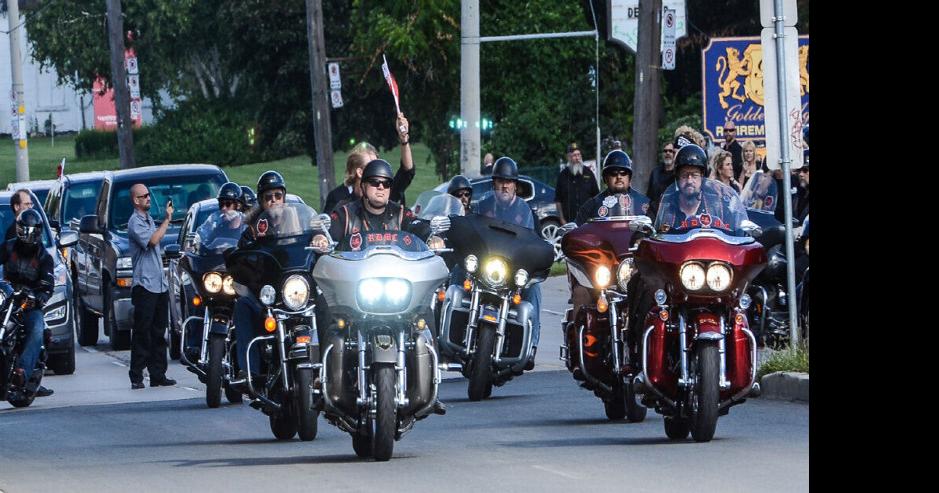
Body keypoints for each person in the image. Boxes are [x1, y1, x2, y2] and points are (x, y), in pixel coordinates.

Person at [569, 150, 650, 342]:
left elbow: (657, 233)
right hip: (602, 269)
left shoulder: (645, 205)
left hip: (634, 271)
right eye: (614, 173)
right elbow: (576, 232)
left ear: (629, 176)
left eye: (623, 173)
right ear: (606, 178)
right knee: (580, 292)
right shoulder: (592, 206)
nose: (619, 177)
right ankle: (583, 343)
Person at [474, 157, 543, 370]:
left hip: (513, 268)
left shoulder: (526, 212)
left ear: (515, 185)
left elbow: (538, 241)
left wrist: (538, 255)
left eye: (509, 181)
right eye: (501, 180)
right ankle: (451, 330)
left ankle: (531, 346)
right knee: (459, 270)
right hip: (487, 264)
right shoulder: (482, 205)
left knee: (535, 288)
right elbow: (471, 228)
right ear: (494, 183)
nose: (505, 185)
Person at [0, 209, 55, 398]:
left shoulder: (43, 257)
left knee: (37, 328)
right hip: (6, 297)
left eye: (32, 231)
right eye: (24, 230)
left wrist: (40, 296)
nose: (28, 236)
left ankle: (22, 372)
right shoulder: (8, 248)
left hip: (28, 303)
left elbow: (48, 283)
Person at [127, 183, 176, 389]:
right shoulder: (135, 222)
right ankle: (136, 375)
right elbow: (153, 241)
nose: (148, 198)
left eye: (148, 195)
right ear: (136, 200)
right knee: (142, 331)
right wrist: (167, 220)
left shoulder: (148, 220)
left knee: (159, 331)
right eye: (144, 196)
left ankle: (158, 374)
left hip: (159, 285)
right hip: (144, 285)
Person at [324, 113, 415, 212]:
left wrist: (404, 139)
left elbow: (407, 171)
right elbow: (328, 224)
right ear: (360, 172)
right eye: (371, 166)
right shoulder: (339, 199)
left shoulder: (384, 190)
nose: (381, 187)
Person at [654, 144, 746, 235]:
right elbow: (657, 238)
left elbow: (733, 236)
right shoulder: (667, 205)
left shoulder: (717, 205)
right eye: (684, 175)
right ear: (677, 177)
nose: (689, 181)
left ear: (702, 177)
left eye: (694, 175)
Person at [555, 142, 600, 226]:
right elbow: (558, 200)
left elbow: (596, 197)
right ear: (568, 157)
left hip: (587, 221)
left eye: (579, 155)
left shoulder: (588, 173)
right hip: (568, 222)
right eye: (574, 155)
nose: (577, 158)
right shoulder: (563, 176)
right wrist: (562, 219)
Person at [646, 142, 677, 218]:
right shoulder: (655, 172)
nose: (668, 153)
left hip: (673, 216)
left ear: (675, 154)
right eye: (665, 151)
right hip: (655, 216)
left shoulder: (679, 174)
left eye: (670, 151)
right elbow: (649, 196)